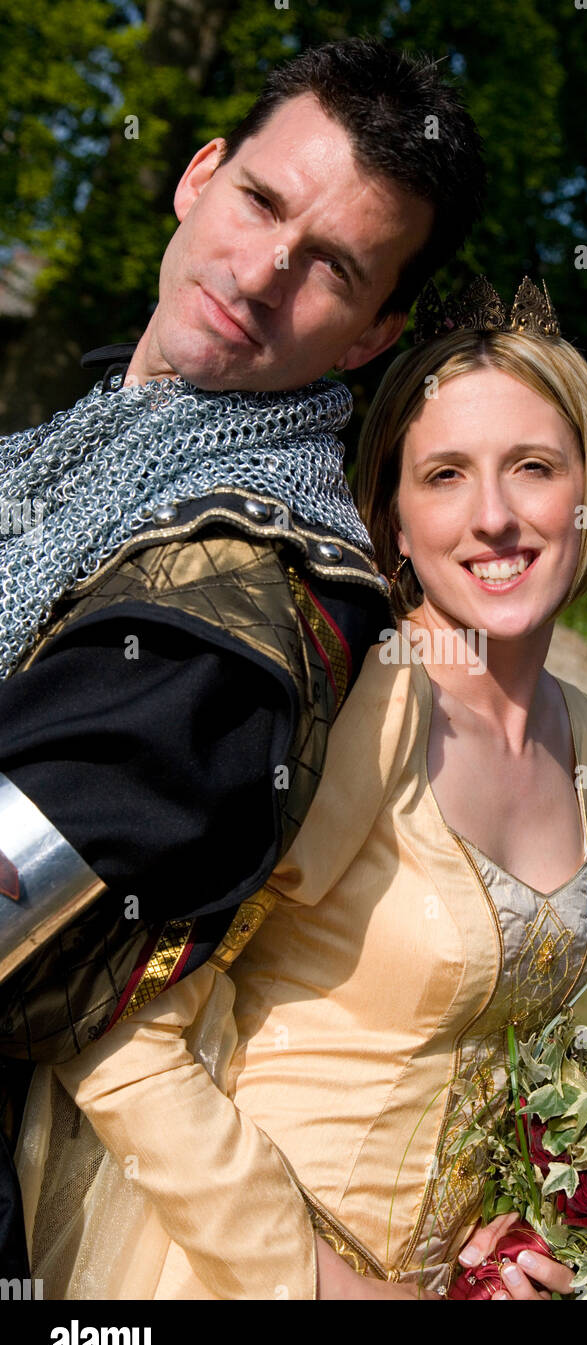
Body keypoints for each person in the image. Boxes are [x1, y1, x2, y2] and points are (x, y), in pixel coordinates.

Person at [14, 277, 587, 1299]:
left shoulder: (583, 739)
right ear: (389, 515)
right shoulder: (362, 703)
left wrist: (521, 1210)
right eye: (442, 475)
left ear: (586, 492)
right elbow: (121, 1028)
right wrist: (332, 1288)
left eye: (530, 467)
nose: (493, 517)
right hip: (224, 1267)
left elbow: (475, 1034)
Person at [0, 37, 486, 1275]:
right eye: (264, 201)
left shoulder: (251, 591)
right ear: (199, 175)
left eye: (330, 267)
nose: (265, 270)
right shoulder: (85, 437)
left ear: (373, 333)